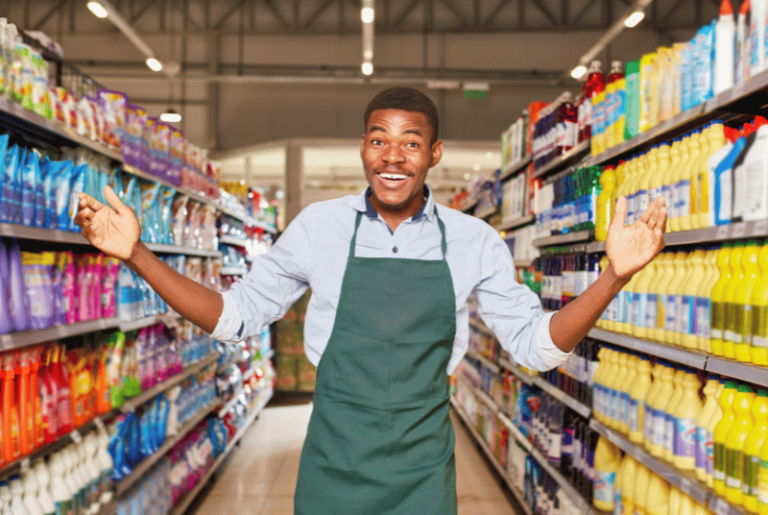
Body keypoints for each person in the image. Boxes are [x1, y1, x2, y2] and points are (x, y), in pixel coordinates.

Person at [75, 86, 666, 515]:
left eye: (411, 143)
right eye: (379, 139)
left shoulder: (472, 240)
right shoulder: (317, 227)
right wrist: (138, 256)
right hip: (334, 461)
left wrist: (612, 276)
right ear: (363, 147)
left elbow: (536, 349)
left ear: (435, 154)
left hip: (422, 470)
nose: (392, 156)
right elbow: (236, 317)